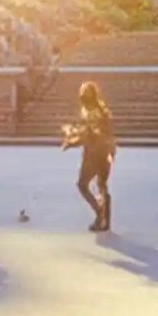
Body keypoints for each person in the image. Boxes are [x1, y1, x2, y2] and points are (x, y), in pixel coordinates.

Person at [63, 82, 115, 231]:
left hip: (93, 153)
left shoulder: (89, 112)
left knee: (82, 184)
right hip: (105, 152)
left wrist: (71, 141)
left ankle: (100, 213)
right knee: (102, 185)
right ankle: (106, 221)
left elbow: (88, 135)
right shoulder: (102, 111)